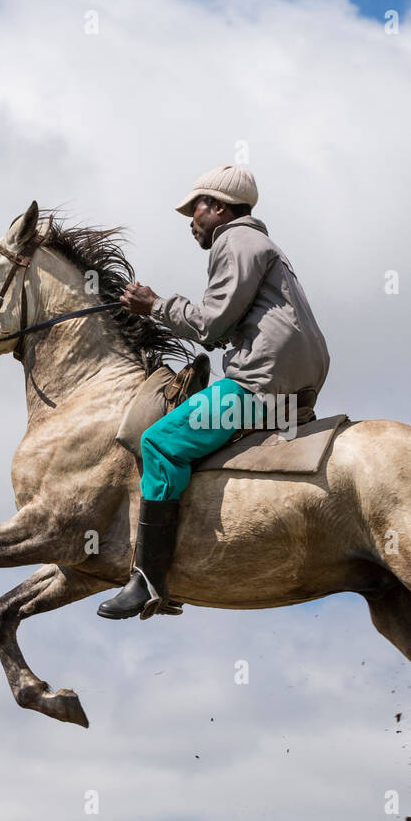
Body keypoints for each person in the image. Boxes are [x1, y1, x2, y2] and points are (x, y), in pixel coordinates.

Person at [97, 165, 331, 619]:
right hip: (291, 393)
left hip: (257, 386)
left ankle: (148, 581)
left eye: (196, 209)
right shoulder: (264, 246)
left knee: (159, 442)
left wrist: (155, 306)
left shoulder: (235, 241)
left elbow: (209, 323)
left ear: (220, 209)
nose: (192, 220)